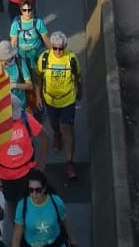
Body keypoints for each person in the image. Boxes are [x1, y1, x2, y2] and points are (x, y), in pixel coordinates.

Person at [34, 31, 81, 181]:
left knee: (67, 127)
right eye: (55, 48)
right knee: (55, 124)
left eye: (61, 48)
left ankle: (69, 163)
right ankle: (56, 135)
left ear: (65, 47)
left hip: (67, 100)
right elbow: (38, 77)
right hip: (50, 100)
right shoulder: (44, 59)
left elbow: (78, 77)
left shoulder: (71, 58)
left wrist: (80, 92)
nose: (58, 51)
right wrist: (37, 95)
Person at [10, 169, 77, 247]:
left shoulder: (56, 201)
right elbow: (16, 237)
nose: (34, 194)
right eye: (31, 190)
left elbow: (65, 224)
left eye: (38, 190)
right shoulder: (22, 205)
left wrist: (73, 242)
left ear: (44, 188)